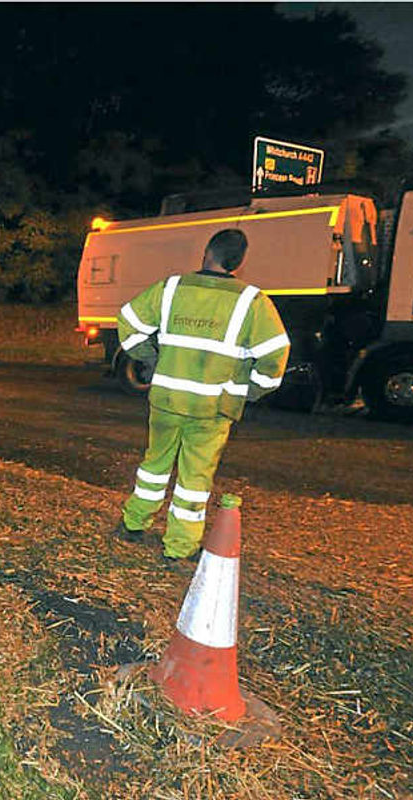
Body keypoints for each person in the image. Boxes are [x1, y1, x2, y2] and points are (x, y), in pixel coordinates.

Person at [113, 229, 290, 561]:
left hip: (166, 400)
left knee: (154, 466)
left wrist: (150, 357)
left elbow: (128, 321)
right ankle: (179, 547)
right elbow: (275, 355)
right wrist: (252, 390)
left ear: (208, 252)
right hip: (212, 408)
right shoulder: (252, 301)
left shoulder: (171, 289)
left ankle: (133, 524)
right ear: (239, 262)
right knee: (194, 479)